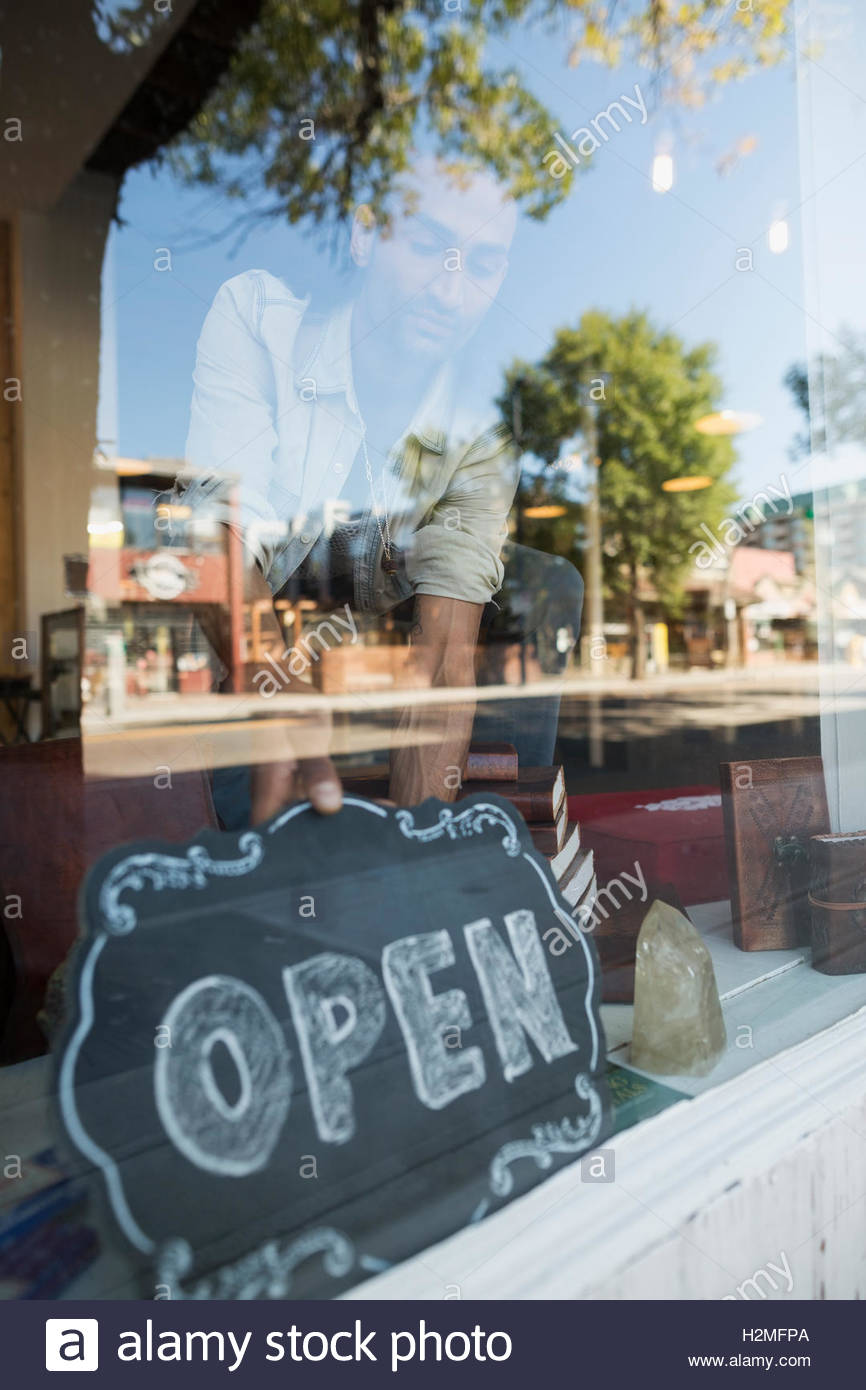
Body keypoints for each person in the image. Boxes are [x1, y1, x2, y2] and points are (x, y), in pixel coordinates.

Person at [183, 156, 579, 827]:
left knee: (548, 580)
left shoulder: (480, 435)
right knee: (248, 852)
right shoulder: (258, 320)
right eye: (428, 247)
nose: (449, 293)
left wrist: (413, 854)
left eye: (480, 265)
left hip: (382, 645)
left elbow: (447, 659)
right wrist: (280, 687)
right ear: (366, 234)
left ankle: (487, 839)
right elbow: (217, 533)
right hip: (263, 640)